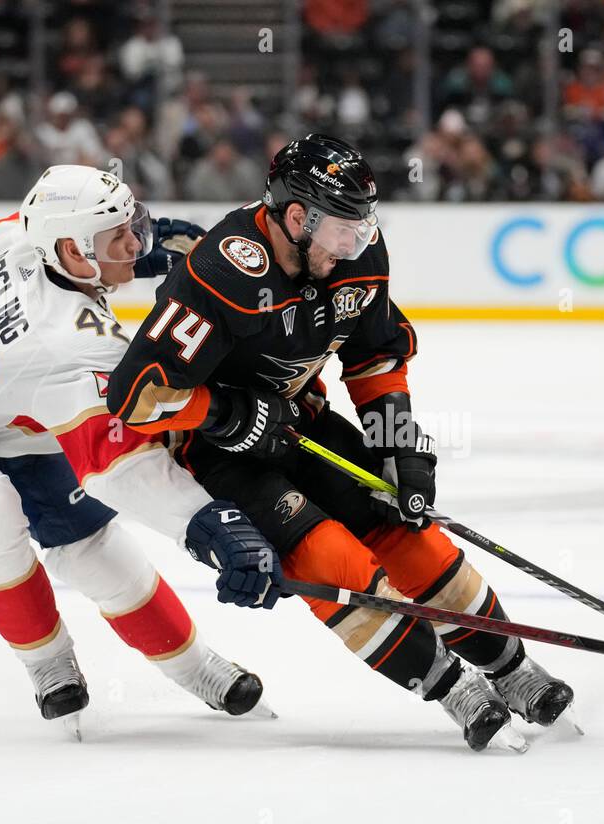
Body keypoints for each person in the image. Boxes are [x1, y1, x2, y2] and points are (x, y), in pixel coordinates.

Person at [108, 134, 576, 753]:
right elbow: (136, 395)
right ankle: (453, 689)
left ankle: (513, 671)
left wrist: (395, 444)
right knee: (333, 562)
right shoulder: (223, 271)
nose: (355, 244)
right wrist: (226, 413)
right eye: (341, 231)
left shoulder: (356, 252)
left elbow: (374, 351)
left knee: (408, 532)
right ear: (297, 218)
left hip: (301, 421)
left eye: (363, 228)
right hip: (218, 450)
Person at [0, 165, 282, 731]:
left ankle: (197, 668)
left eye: (133, 224)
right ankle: (48, 664)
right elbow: (114, 464)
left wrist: (133, 259)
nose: (136, 240)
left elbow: (3, 231)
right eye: (117, 234)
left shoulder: (23, 243)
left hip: (3, 416)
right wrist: (204, 520)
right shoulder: (75, 346)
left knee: (90, 544)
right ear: (71, 249)